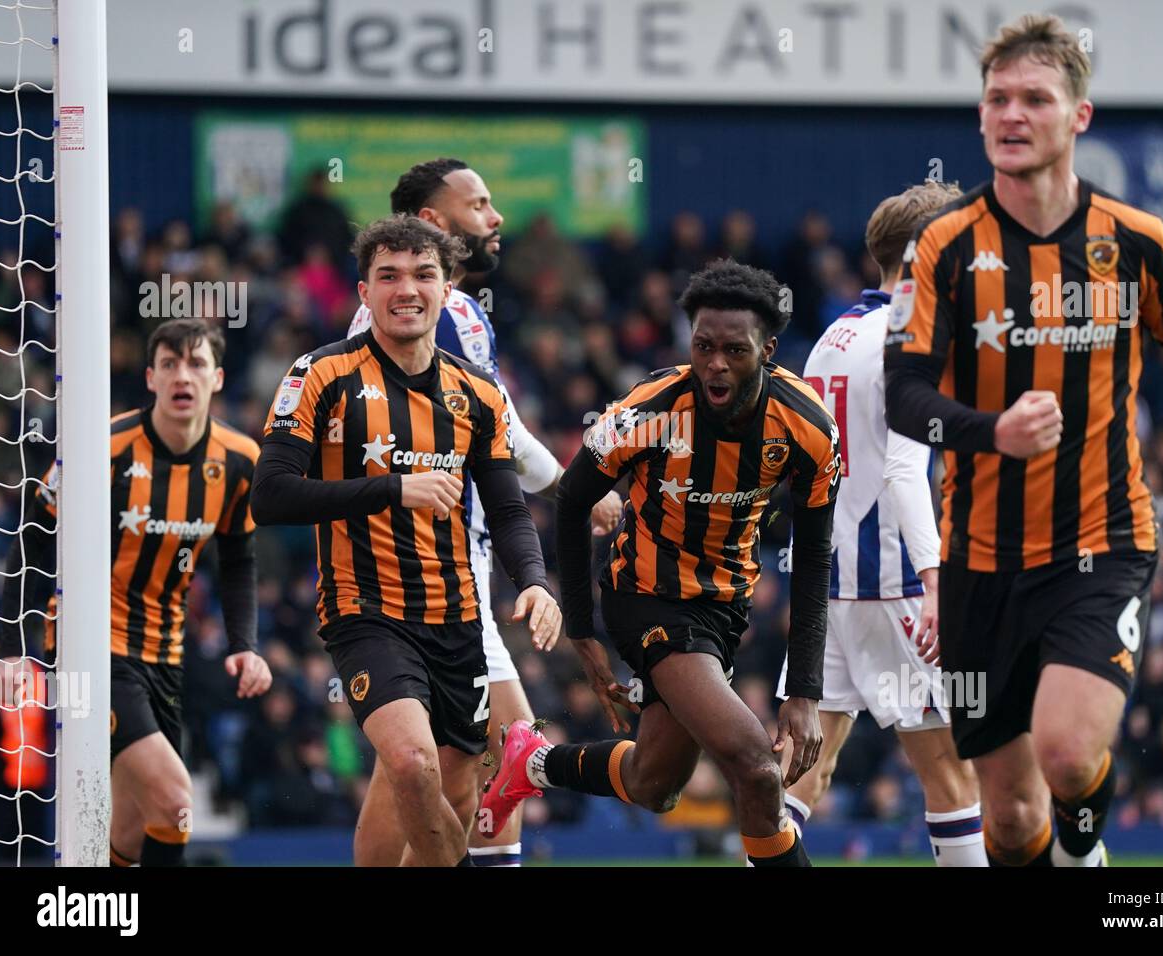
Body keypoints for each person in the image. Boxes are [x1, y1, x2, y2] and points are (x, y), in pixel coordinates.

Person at [883, 14, 1163, 867]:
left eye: (1035, 98)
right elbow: (905, 398)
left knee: (1066, 754)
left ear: (1079, 117)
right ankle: (1074, 858)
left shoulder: (1135, 242)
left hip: (1102, 544)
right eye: (996, 99)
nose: (1010, 115)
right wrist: (993, 433)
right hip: (979, 564)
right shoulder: (946, 248)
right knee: (1013, 819)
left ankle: (1083, 853)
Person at [481, 260, 841, 867]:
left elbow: (810, 560)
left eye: (734, 349)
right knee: (756, 767)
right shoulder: (649, 409)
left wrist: (803, 692)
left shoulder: (808, 429)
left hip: (725, 607)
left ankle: (532, 761)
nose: (715, 364)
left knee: (656, 783)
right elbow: (572, 498)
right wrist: (582, 630)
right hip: (646, 596)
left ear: (769, 350)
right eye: (703, 346)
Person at [251, 214, 560, 866]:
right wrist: (395, 488)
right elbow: (271, 495)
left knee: (445, 786)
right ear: (363, 292)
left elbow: (507, 509)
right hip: (366, 614)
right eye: (387, 276)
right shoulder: (319, 376)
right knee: (412, 763)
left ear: (448, 289)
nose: (407, 290)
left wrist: (533, 581)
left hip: (459, 623)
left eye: (424, 275)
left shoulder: (476, 393)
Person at [344, 158, 621, 866]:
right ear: (433, 224)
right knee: (510, 750)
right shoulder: (451, 314)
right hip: (436, 578)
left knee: (414, 769)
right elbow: (507, 442)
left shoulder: (401, 318)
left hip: (410, 571)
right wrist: (575, 488)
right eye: (481, 205)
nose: (496, 219)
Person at [0, 317, 273, 866]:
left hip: (164, 652)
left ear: (217, 379)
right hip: (87, 647)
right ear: (150, 377)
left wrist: (245, 643)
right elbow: (31, 542)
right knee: (175, 799)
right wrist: (12, 650)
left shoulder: (241, 460)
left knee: (129, 822)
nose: (182, 375)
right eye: (170, 363)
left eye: (196, 363)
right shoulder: (101, 448)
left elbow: (238, 560)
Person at [775, 181, 986, 866]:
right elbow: (904, 469)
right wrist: (933, 579)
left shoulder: (832, 337)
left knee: (805, 765)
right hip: (894, 582)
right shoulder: (909, 337)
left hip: (829, 586)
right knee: (952, 771)